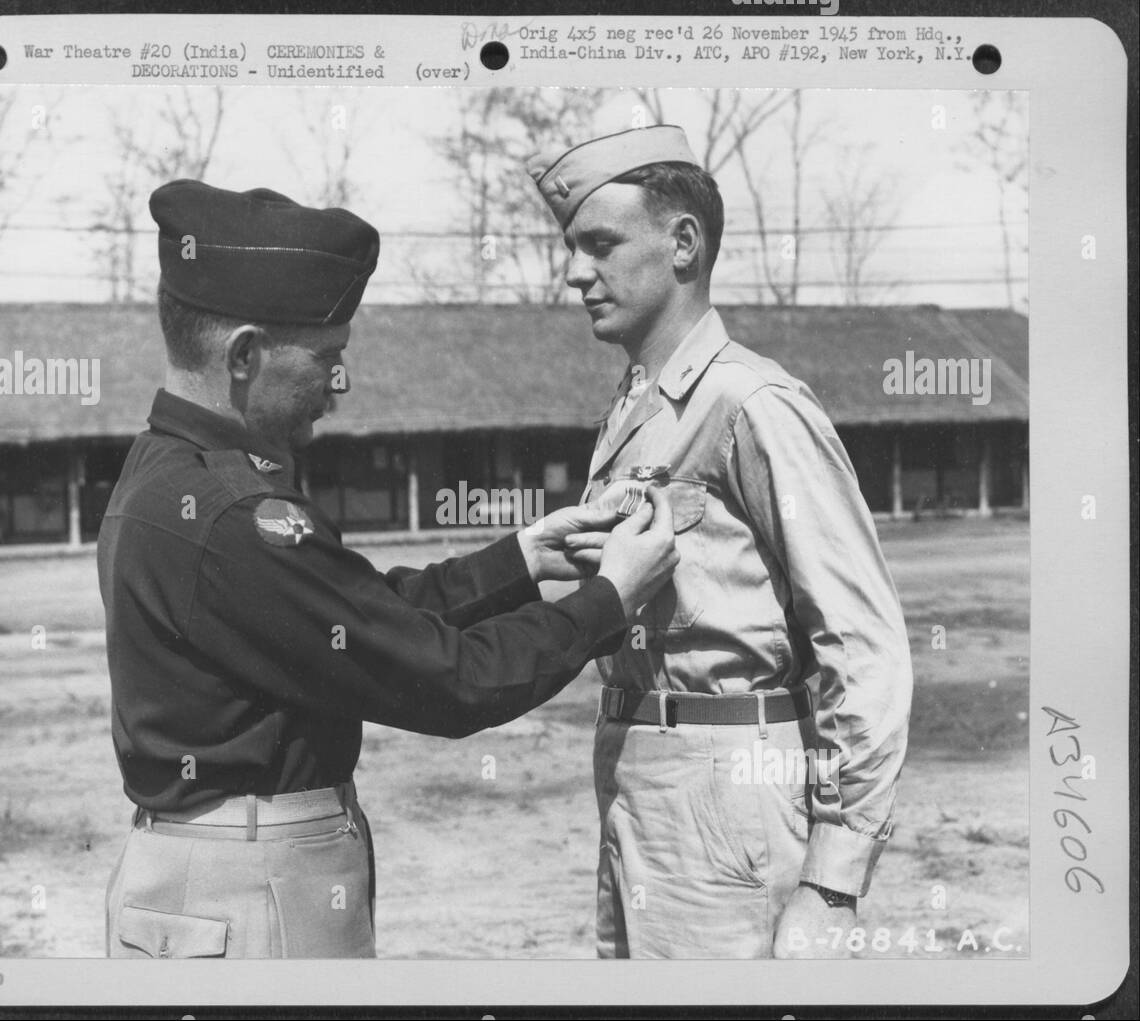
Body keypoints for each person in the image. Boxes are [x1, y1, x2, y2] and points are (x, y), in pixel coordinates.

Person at [98, 179, 678, 959]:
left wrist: (521, 557)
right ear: (244, 354)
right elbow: (448, 679)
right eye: (326, 360)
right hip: (251, 891)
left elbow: (357, 611)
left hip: (204, 883)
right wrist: (610, 599)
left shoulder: (170, 471)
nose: (336, 390)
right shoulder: (237, 515)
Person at [526, 126, 912, 959]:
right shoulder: (639, 408)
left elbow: (863, 640)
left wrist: (832, 879)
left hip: (731, 778)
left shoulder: (752, 404)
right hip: (637, 773)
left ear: (684, 245)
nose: (575, 272)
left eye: (599, 244)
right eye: (570, 248)